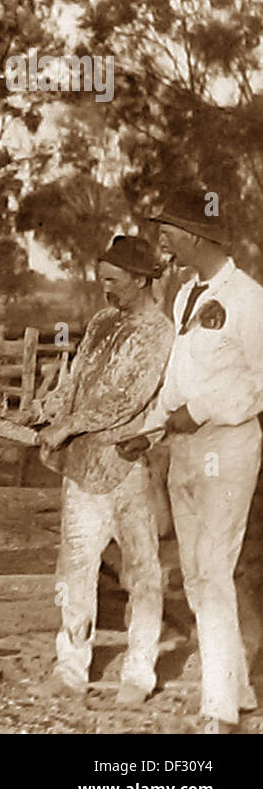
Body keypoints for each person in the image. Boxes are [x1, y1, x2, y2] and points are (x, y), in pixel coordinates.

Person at [142, 189, 263, 732]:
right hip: (183, 447)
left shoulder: (251, 300)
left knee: (213, 572)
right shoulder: (184, 293)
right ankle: (237, 690)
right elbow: (175, 378)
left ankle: (217, 711)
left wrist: (202, 410)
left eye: (166, 227)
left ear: (195, 234)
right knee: (195, 575)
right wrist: (150, 428)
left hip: (227, 448)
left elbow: (260, 384)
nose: (160, 238)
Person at [34, 236, 174, 707]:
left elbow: (126, 398)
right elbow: (75, 380)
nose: (106, 289)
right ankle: (70, 668)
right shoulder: (100, 323)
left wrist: (68, 425)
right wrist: (50, 410)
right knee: (76, 569)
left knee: (142, 571)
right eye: (102, 280)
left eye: (113, 281)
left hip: (128, 467)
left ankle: (139, 672)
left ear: (140, 279)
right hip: (82, 467)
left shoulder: (157, 331)